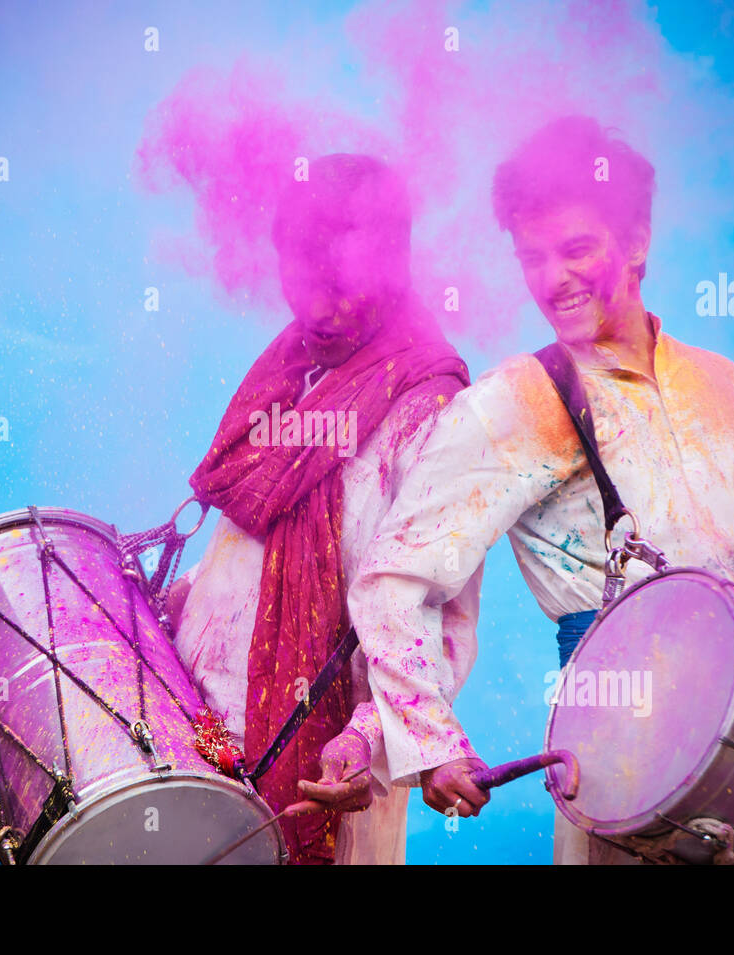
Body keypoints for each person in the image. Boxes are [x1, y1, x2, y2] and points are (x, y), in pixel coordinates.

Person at [347, 116, 734, 865]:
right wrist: (428, 741)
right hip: (626, 768)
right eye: (532, 256)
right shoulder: (516, 400)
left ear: (638, 240)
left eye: (577, 247)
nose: (553, 278)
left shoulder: (723, 385)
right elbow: (393, 578)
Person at [165, 153, 477, 864]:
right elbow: (243, 556)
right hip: (200, 740)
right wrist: (172, 609)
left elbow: (438, 615)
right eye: (299, 278)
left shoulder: (428, 407)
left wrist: (367, 737)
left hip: (323, 764)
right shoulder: (291, 366)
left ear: (391, 263)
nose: (316, 307)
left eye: (337, 282)